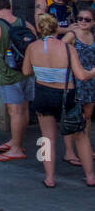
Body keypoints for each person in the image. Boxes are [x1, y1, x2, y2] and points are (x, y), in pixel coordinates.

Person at [21, 13, 95, 188]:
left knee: (47, 138)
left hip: (43, 94)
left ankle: (50, 178)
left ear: (39, 29)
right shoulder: (68, 48)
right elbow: (82, 76)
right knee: (81, 136)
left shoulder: (32, 47)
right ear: (57, 29)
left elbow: (25, 72)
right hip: (66, 94)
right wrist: (93, 71)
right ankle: (91, 177)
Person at [0, 0, 36, 162]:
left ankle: (17, 148)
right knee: (23, 110)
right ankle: (16, 140)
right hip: (27, 73)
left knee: (15, 111)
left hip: (8, 75)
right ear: (10, 7)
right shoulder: (26, 24)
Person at [61, 7, 95, 167]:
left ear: (93, 22)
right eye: (80, 18)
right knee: (71, 115)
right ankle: (70, 152)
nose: (82, 21)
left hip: (91, 80)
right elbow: (59, 50)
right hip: (74, 79)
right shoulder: (72, 35)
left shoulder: (93, 36)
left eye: (87, 19)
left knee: (87, 115)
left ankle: (85, 149)